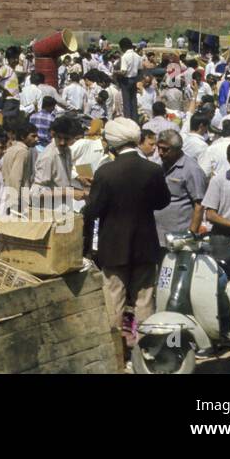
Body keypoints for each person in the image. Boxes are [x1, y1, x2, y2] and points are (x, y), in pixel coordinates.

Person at [81, 118, 171, 345]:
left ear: (112, 144)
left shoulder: (105, 172)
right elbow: (162, 202)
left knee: (114, 299)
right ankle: (145, 351)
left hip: (114, 247)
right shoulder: (153, 169)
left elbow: (93, 209)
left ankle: (116, 353)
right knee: (144, 299)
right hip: (145, 245)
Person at [154, 130, 206, 247]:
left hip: (179, 238)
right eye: (159, 148)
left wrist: (190, 235)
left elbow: (200, 204)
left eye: (165, 149)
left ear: (177, 149)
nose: (160, 152)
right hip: (159, 235)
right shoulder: (160, 165)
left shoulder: (191, 169)